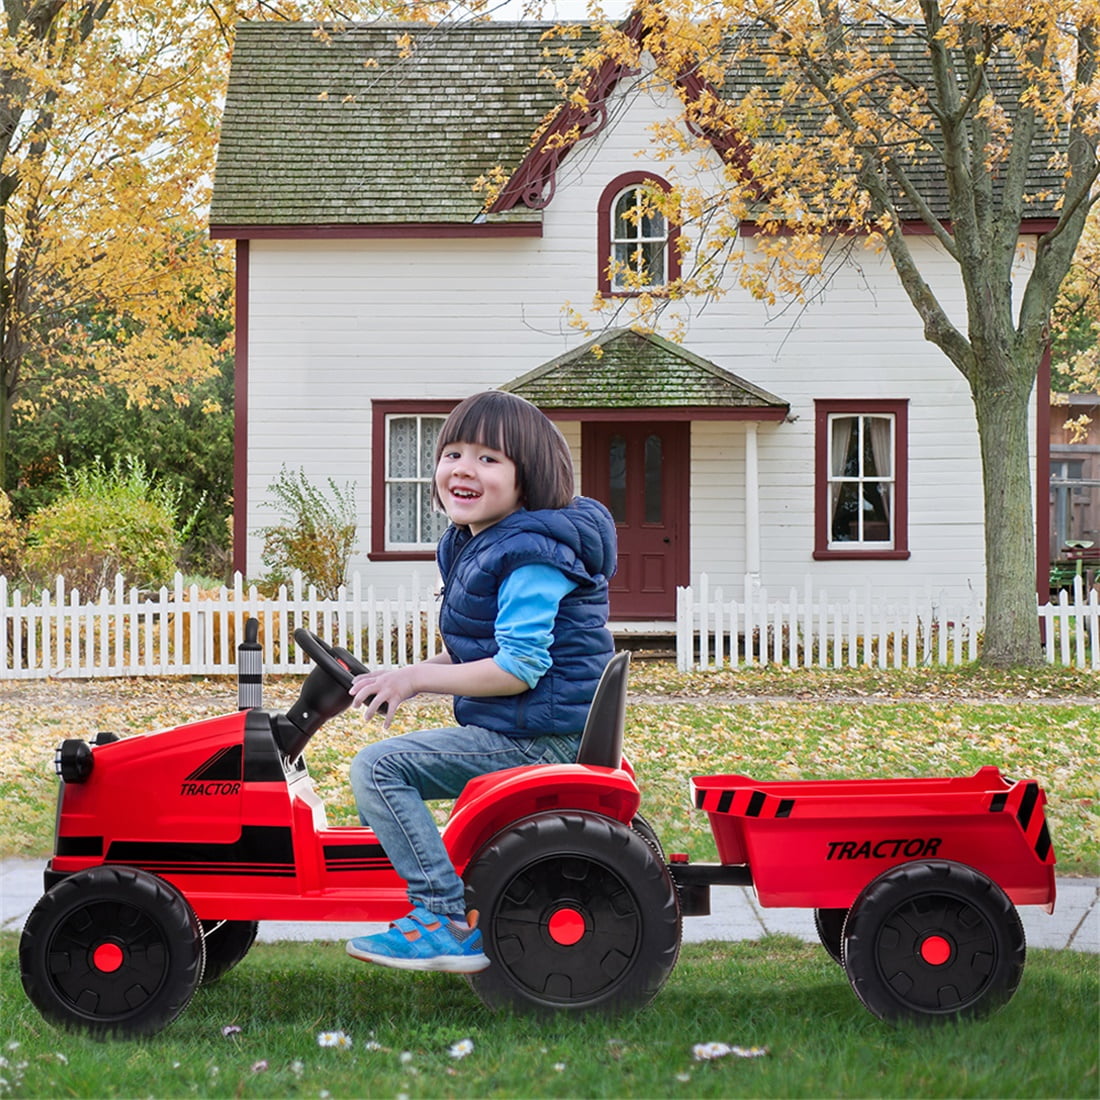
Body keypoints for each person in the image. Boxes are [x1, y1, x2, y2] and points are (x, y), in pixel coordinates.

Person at [344, 390, 617, 973]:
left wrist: (417, 679)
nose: (463, 469)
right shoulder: (479, 543)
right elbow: (477, 648)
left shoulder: (531, 557)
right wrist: (402, 675)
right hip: (530, 727)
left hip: (541, 740)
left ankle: (440, 918)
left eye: (488, 458)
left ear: (528, 477)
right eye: (453, 454)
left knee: (378, 769)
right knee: (381, 780)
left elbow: (518, 667)